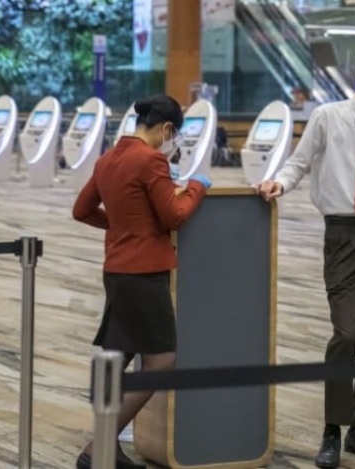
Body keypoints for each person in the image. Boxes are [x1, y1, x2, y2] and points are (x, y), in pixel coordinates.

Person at [257, 41, 355, 468]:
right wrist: (279, 184)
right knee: (345, 335)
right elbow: (298, 163)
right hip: (342, 235)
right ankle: (332, 428)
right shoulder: (327, 118)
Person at [71, 95, 212, 469]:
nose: (173, 143)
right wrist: (197, 186)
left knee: (120, 357)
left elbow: (81, 210)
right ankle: (98, 445)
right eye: (175, 135)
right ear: (167, 129)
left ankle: (107, 450)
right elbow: (175, 215)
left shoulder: (108, 158)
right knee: (162, 362)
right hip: (144, 274)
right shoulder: (151, 160)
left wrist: (121, 226)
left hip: (116, 271)